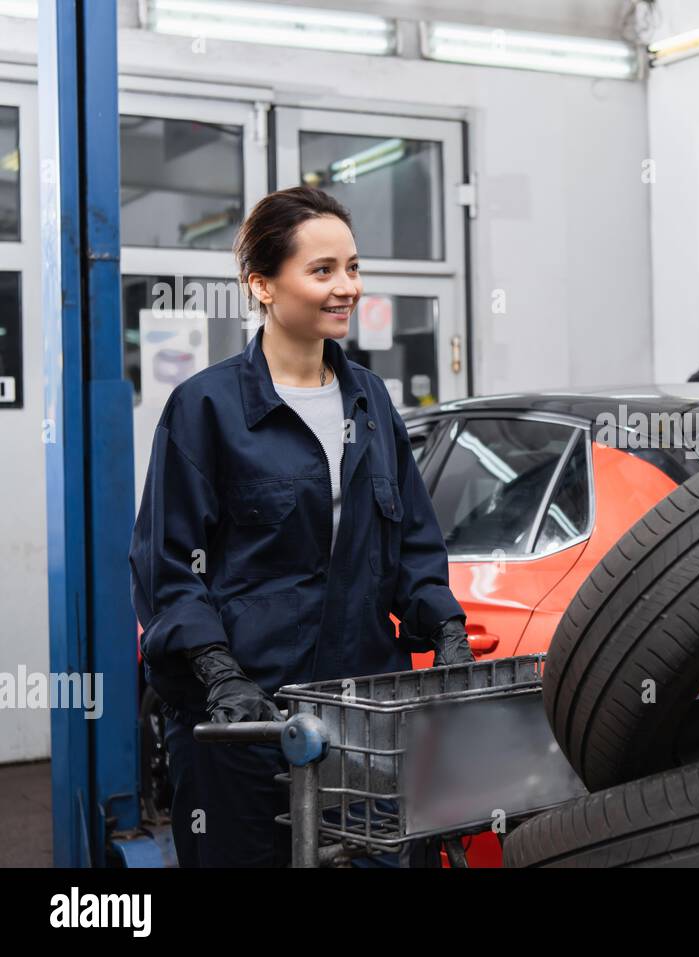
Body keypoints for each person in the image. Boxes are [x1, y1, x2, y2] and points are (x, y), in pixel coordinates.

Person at [129, 185, 474, 868]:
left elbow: (409, 543)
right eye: (323, 271)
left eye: (352, 267)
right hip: (247, 728)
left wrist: (446, 627)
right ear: (261, 283)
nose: (347, 286)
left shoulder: (370, 401)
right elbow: (169, 566)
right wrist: (220, 675)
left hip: (365, 723)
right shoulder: (207, 408)